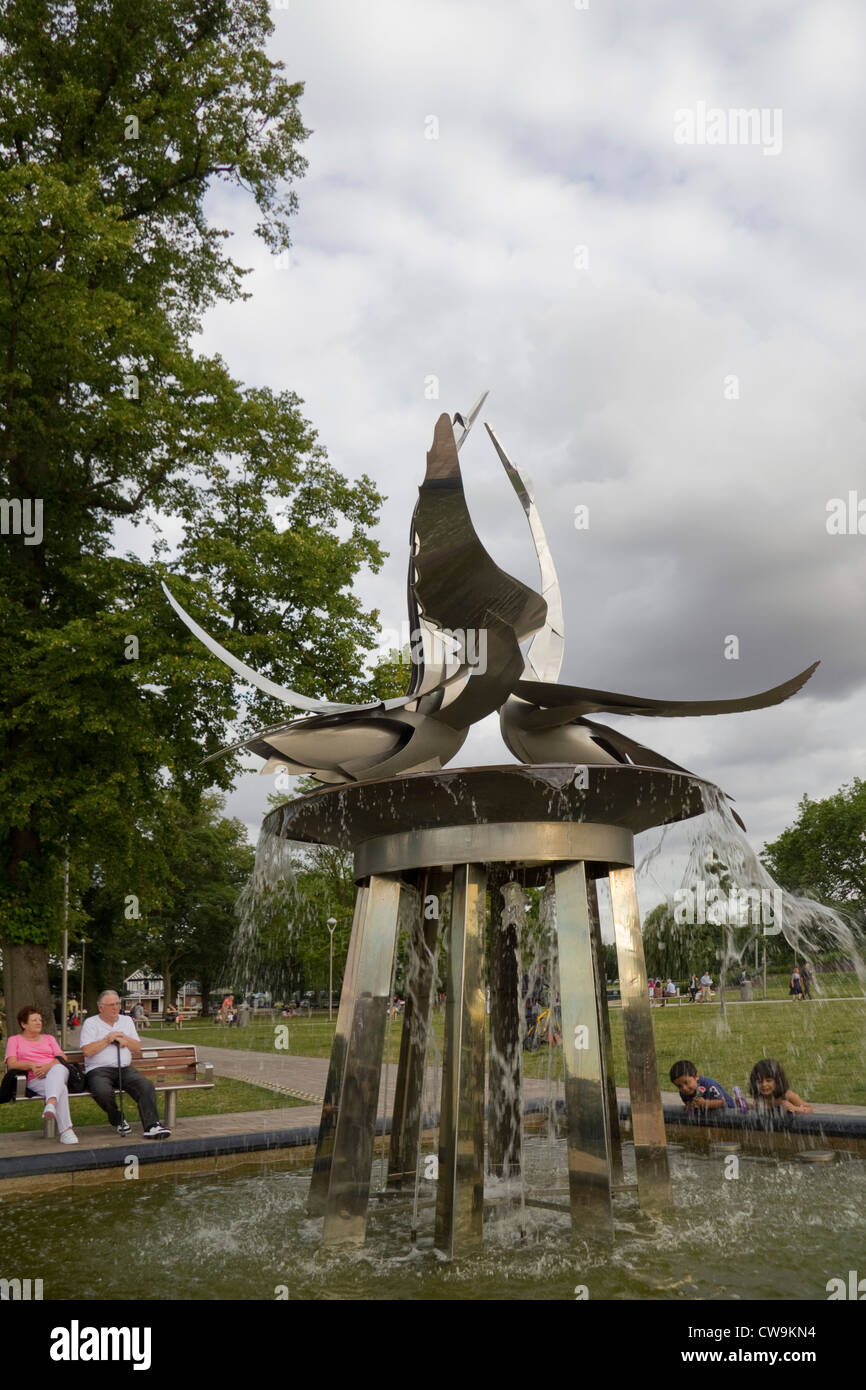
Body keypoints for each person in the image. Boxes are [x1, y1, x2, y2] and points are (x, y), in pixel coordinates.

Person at [80, 989, 170, 1138]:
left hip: (125, 1068)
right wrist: (107, 1040)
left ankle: (152, 1126)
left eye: (117, 1004)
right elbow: (87, 1051)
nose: (115, 1008)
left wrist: (124, 1039)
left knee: (145, 1085)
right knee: (102, 1092)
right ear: (100, 1007)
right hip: (99, 1070)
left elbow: (137, 1048)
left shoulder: (126, 1020)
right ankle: (118, 1119)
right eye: (111, 1005)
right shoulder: (91, 1023)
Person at [3, 1005, 79, 1143]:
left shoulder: (49, 1038)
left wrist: (47, 1067)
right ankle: (66, 1131)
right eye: (34, 1020)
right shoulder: (14, 1040)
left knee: (58, 1068)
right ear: (24, 1024)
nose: (39, 1022)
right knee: (61, 1088)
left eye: (40, 1019)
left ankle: (50, 1103)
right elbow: (12, 1063)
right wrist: (31, 1065)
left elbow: (62, 1057)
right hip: (36, 1079)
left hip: (57, 1072)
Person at [749, 1058, 813, 1114]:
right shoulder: (760, 1097)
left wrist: (795, 1108)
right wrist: (746, 1105)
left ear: (777, 1081)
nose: (764, 1085)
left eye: (768, 1081)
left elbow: (810, 1110)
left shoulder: (787, 1095)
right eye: (760, 1082)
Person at [669, 1059, 735, 1111]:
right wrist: (689, 1105)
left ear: (696, 1076)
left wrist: (705, 1103)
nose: (684, 1088)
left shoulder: (709, 1085)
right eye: (679, 1086)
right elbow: (688, 1103)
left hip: (729, 1110)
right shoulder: (683, 1093)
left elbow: (722, 1102)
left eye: (686, 1082)